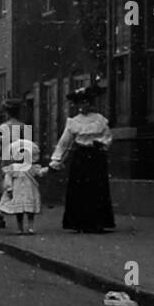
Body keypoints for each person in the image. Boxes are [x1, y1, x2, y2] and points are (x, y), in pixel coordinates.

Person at [49, 87, 115, 233]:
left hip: (96, 155)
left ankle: (98, 223)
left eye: (86, 102)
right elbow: (64, 142)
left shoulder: (100, 120)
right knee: (79, 189)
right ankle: (79, 222)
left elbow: (108, 137)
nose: (83, 105)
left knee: (97, 188)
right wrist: (56, 160)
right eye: (80, 103)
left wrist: (102, 143)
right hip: (81, 156)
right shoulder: (74, 122)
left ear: (91, 103)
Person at [0, 138, 47, 234]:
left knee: (30, 211)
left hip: (29, 190)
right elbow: (8, 178)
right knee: (19, 212)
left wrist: (47, 170)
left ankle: (30, 227)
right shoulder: (13, 168)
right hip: (17, 190)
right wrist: (9, 188)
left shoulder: (31, 167)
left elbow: (40, 173)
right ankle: (20, 228)